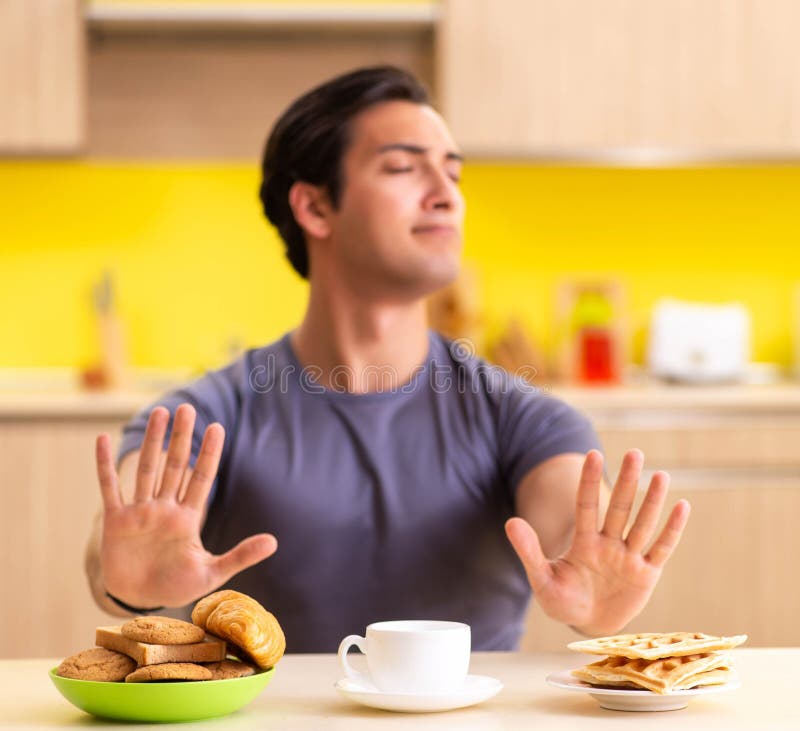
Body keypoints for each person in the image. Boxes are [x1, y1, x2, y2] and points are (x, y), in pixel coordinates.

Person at [85, 66, 690, 652]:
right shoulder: (209, 414)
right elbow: (118, 546)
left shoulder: (523, 418)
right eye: (403, 167)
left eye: (453, 175)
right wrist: (126, 586)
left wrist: (589, 582)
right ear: (316, 208)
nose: (446, 195)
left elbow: (568, 526)